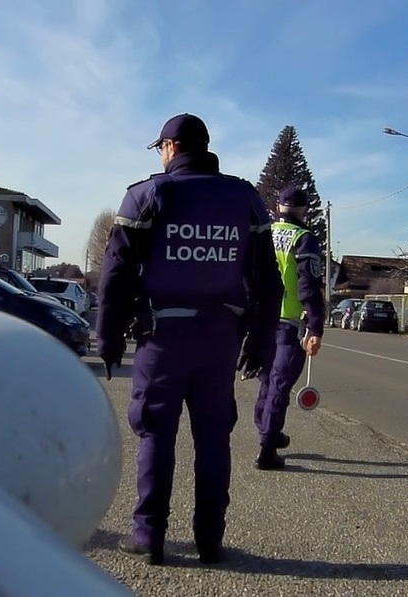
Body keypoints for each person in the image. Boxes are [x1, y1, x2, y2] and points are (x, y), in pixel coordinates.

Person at [95, 113, 283, 565]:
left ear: (172, 147)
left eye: (160, 148)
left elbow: (115, 275)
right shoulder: (244, 198)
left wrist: (108, 339)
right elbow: (268, 282)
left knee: (156, 432)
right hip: (220, 338)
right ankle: (209, 539)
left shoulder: (147, 194)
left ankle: (149, 536)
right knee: (214, 436)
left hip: (162, 336)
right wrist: (260, 343)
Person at [253, 186, 325, 470]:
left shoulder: (264, 234)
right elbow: (309, 287)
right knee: (279, 386)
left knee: (266, 380)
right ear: (304, 210)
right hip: (289, 323)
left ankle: (266, 430)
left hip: (261, 321)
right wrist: (315, 327)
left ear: (277, 207)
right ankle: (267, 447)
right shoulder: (304, 239)